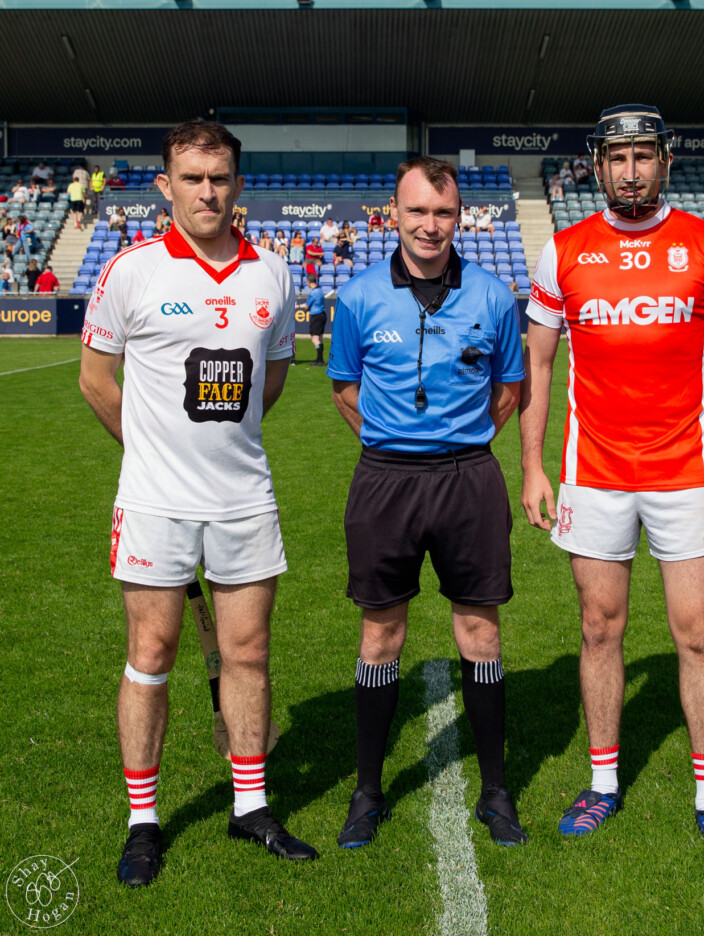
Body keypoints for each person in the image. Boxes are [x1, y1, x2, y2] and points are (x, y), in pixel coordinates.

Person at [78, 121, 318, 890]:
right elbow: (94, 379)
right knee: (150, 657)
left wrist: (226, 445)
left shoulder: (271, 275)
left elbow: (270, 381)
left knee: (247, 653)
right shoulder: (132, 271)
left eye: (219, 178)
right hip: (154, 501)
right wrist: (148, 451)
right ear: (166, 185)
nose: (206, 191)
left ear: (238, 184)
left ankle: (251, 806)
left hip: (244, 498)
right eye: (192, 178)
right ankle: (142, 822)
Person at [519, 105, 704, 862]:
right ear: (596, 166)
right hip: (591, 477)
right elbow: (535, 364)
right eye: (617, 158)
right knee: (599, 628)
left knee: (695, 635)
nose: (630, 171)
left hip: (686, 474)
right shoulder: (560, 252)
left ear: (664, 162)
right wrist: (531, 465)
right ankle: (600, 782)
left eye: (643, 157)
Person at [327, 156, 528, 850]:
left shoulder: (495, 296)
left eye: (443, 213)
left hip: (468, 478)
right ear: (395, 213)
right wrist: (397, 442)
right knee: (380, 634)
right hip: (384, 481)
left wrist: (457, 444)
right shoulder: (355, 298)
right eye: (417, 212)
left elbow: (509, 391)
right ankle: (367, 791)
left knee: (481, 632)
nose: (430, 226)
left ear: (459, 217)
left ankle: (497, 792)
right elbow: (344, 390)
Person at [304, 276, 327, 365]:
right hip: (322, 315)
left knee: (314, 338)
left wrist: (302, 309)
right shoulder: (320, 291)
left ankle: (320, 360)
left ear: (308, 282)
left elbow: (307, 306)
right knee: (320, 338)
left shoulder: (313, 293)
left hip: (316, 316)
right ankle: (319, 360)